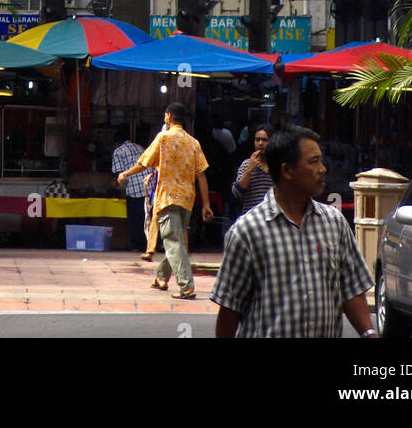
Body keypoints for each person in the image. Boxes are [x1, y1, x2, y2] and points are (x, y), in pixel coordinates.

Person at [211, 126, 376, 339]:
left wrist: (369, 332)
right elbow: (229, 310)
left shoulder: (334, 223)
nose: (323, 169)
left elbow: (351, 288)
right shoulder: (247, 232)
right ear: (287, 171)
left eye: (321, 160)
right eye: (313, 161)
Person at [117, 102, 212, 300]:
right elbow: (202, 174)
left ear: (169, 117)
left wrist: (125, 174)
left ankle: (186, 286)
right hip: (187, 199)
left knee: (174, 242)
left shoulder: (163, 138)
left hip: (168, 198)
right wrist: (206, 204)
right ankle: (161, 276)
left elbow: (144, 163)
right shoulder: (193, 143)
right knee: (176, 241)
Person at [110, 126, 146, 252]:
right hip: (149, 187)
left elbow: (121, 176)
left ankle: (136, 246)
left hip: (134, 189)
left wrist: (116, 185)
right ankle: (150, 245)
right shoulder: (140, 147)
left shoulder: (118, 151)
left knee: (134, 219)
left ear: (116, 143)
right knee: (147, 218)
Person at [231, 124, 273, 214]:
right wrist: (250, 169)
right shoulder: (246, 165)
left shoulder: (277, 166)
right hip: (251, 219)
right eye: (257, 140)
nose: (260, 143)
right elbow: (237, 193)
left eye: (264, 140)